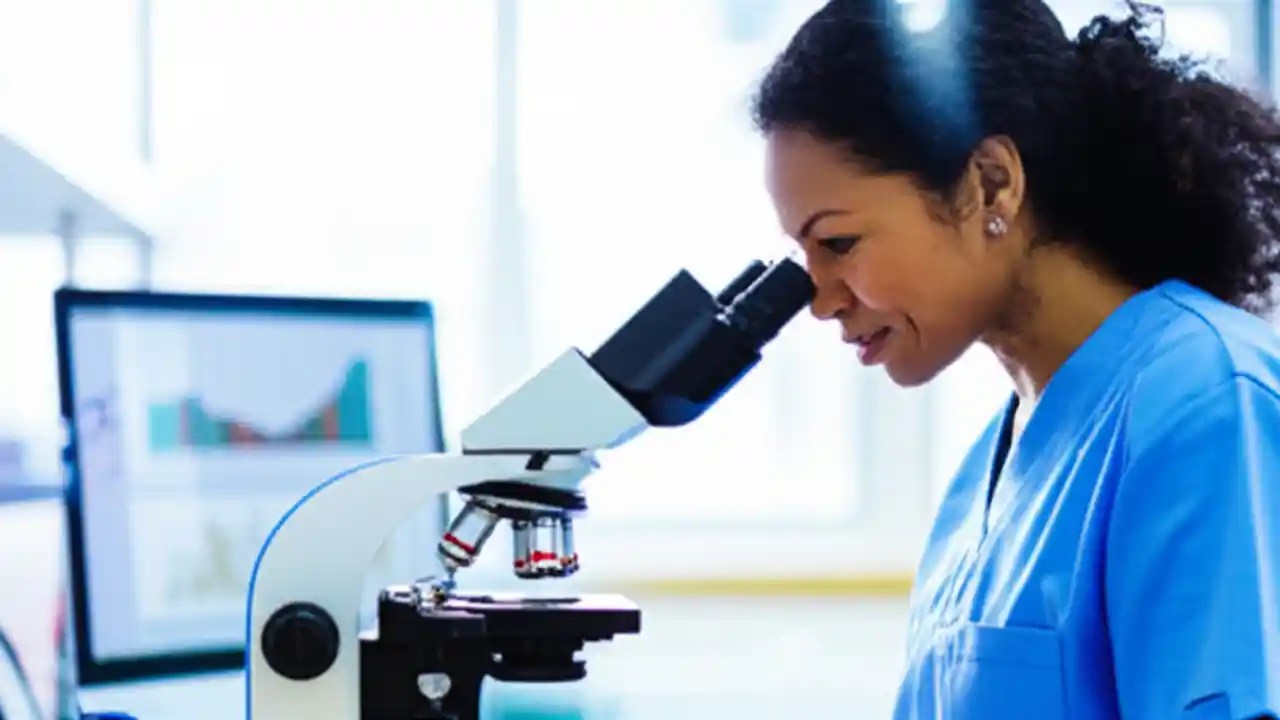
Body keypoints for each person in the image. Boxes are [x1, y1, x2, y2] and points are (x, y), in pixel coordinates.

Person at [753, 0, 1280, 717]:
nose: (820, 301)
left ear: (990, 184)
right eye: (802, 254)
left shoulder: (1205, 398)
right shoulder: (984, 481)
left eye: (839, 244)